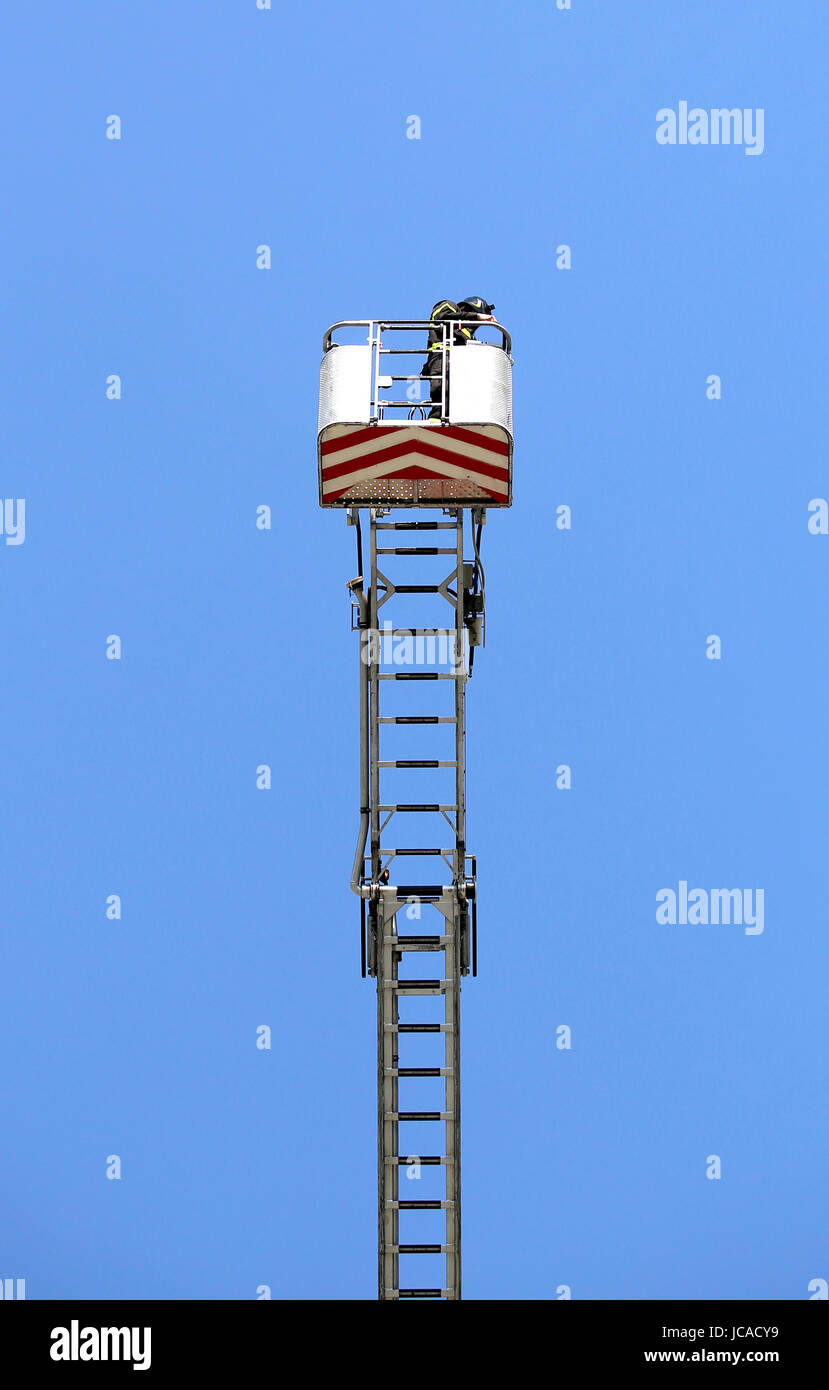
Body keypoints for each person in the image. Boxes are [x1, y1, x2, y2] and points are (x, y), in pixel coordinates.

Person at [421, 297, 496, 419]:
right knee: (442, 401)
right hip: (442, 359)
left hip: (460, 367)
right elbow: (441, 317)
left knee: (458, 405)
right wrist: (476, 317)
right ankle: (435, 422)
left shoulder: (469, 335)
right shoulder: (448, 305)